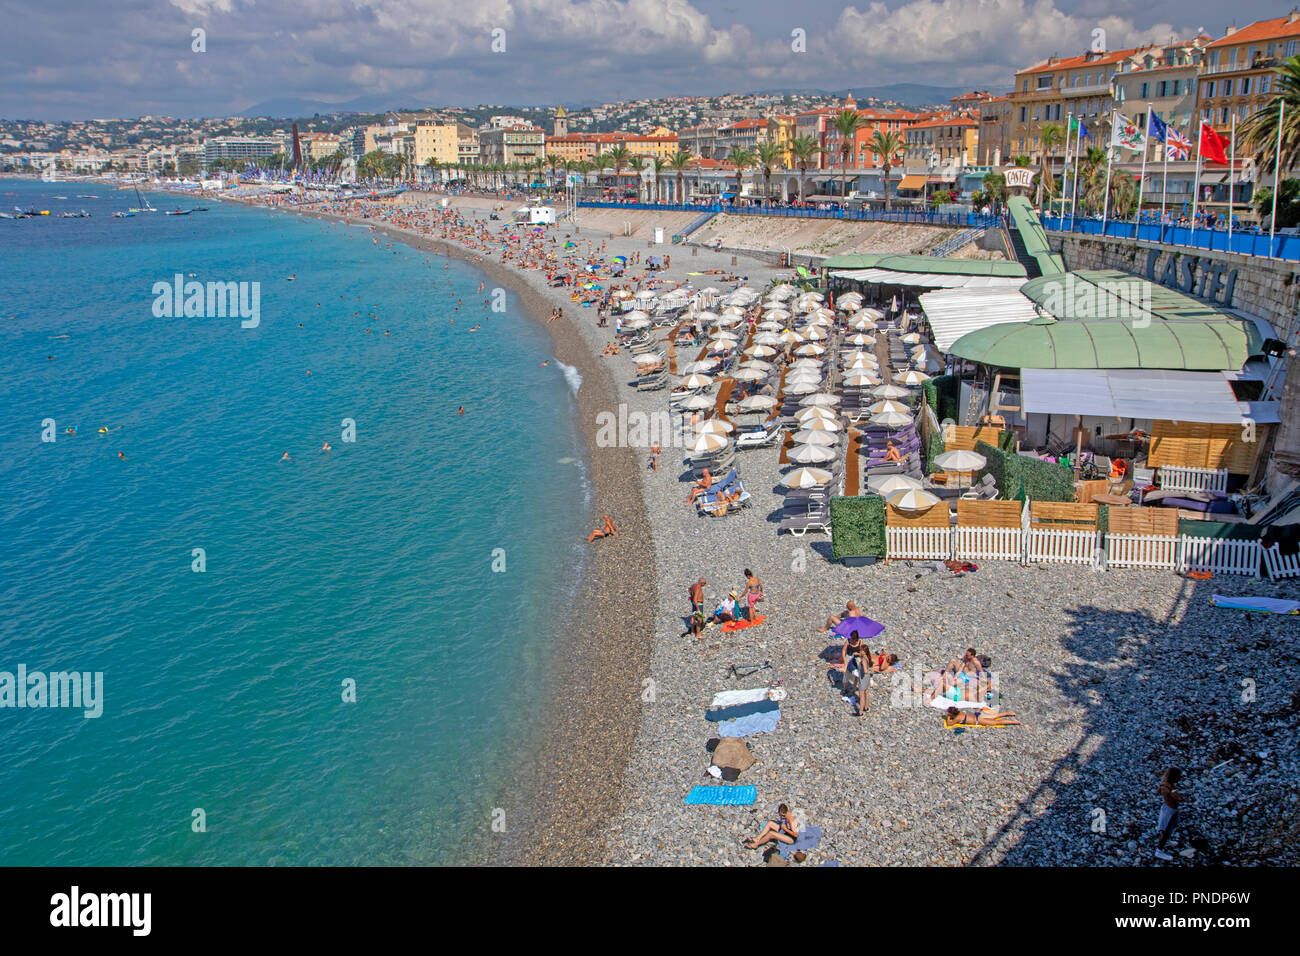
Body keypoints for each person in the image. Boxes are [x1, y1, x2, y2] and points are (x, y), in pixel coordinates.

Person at [1154, 767, 1185, 861]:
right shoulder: (1167, 787)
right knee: (1165, 830)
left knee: (1171, 827)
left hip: (1172, 810)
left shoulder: (1169, 784)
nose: (1180, 778)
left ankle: (1167, 841)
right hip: (1168, 810)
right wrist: (1175, 795)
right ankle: (1158, 851)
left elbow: (1159, 790)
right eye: (1179, 776)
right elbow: (1177, 797)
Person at [944, 706, 1020, 727]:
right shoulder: (960, 712)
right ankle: (1008, 713)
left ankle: (1014, 722)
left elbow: (949, 724)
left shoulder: (957, 718)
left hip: (978, 720)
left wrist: (948, 718)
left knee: (997, 722)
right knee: (994, 716)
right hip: (978, 715)